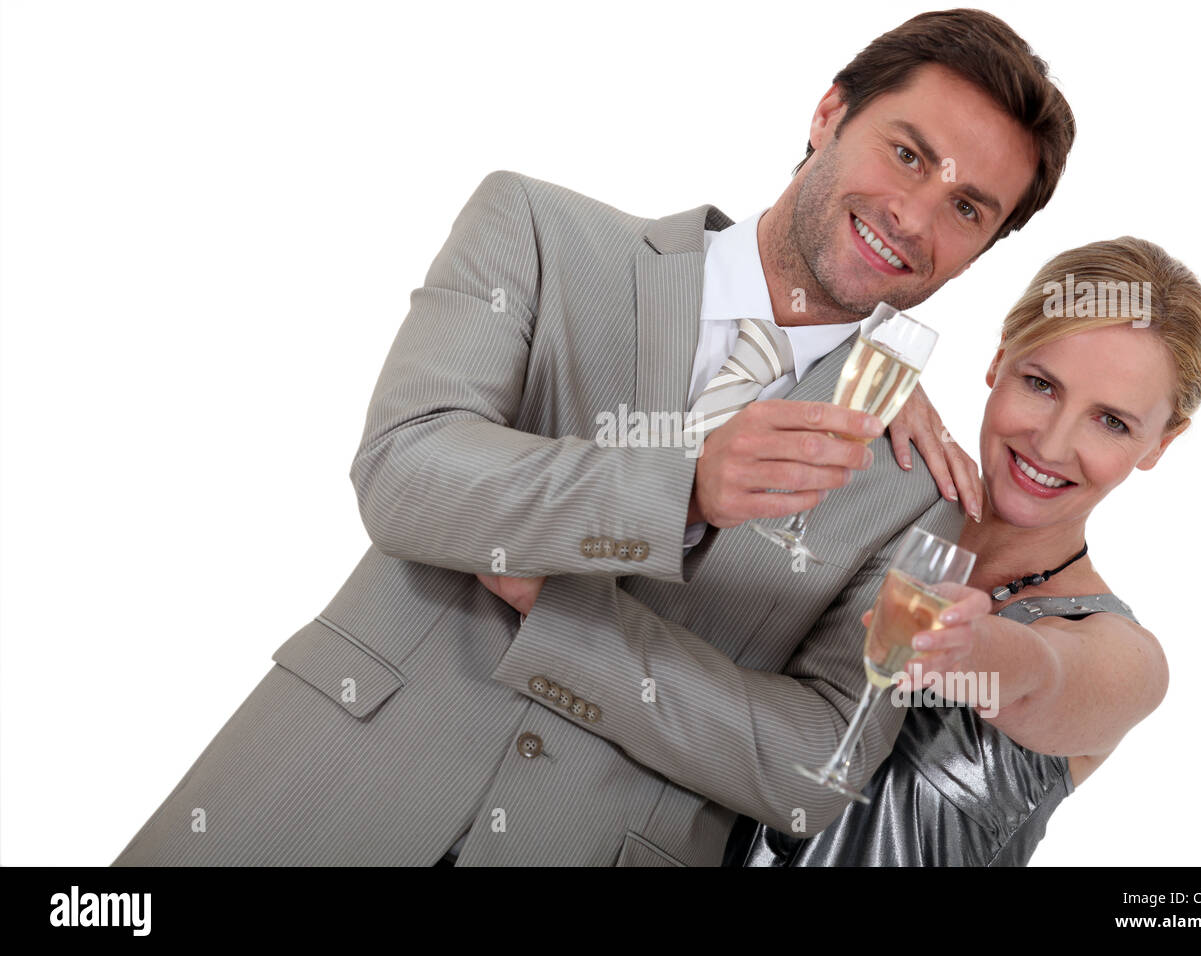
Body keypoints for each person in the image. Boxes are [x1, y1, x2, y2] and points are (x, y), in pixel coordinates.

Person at [110, 9, 1075, 867]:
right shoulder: (539, 234)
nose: (915, 215)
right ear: (827, 114)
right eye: (907, 153)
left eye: (968, 209)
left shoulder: (919, 488)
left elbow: (814, 768)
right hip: (305, 807)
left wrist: (567, 620)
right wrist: (681, 489)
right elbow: (405, 473)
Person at [726, 236, 1201, 866]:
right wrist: (853, 381)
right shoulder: (875, 495)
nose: (1052, 442)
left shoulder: (1127, 658)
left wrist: (973, 647)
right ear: (998, 361)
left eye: (1112, 422)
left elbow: (1044, 674)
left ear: (1161, 444)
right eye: (1040, 384)